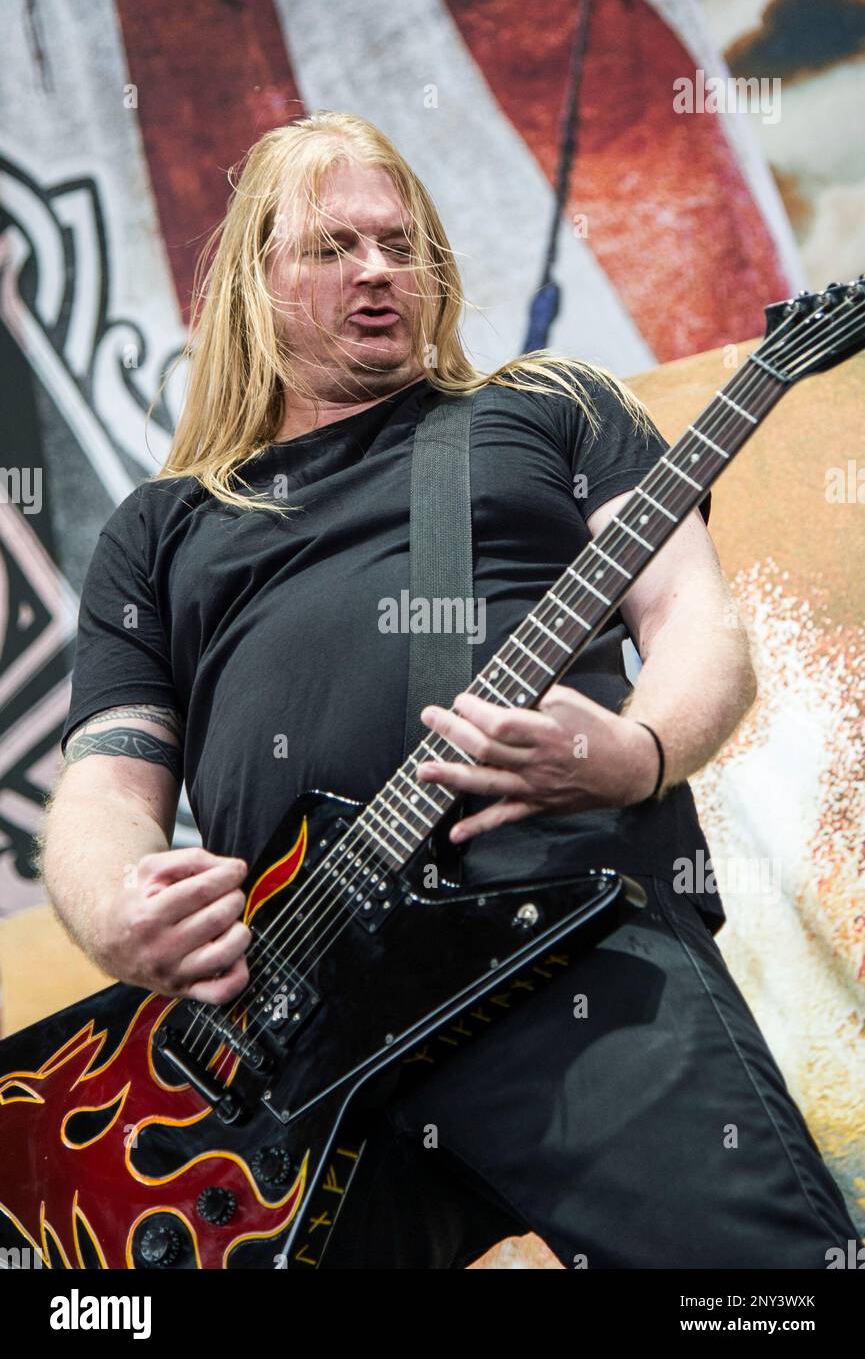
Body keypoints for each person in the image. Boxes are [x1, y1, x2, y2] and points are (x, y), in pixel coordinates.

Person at [40, 111, 859, 1270]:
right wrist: (117, 908)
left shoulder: (543, 410)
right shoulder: (163, 526)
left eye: (401, 244)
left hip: (555, 941)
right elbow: (107, 785)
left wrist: (637, 753)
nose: (377, 270)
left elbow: (692, 622)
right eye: (333, 247)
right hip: (289, 1042)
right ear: (250, 282)